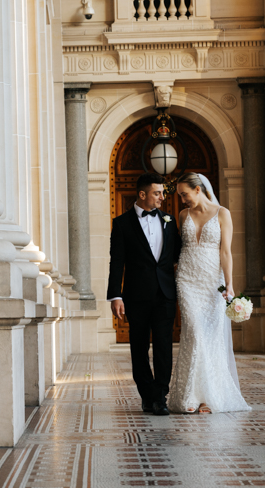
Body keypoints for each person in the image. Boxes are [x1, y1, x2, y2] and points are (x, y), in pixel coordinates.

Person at [167, 172, 250, 414]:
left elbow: (226, 252)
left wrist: (230, 284)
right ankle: (190, 396)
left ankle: (207, 398)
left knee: (210, 337)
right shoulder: (183, 215)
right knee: (194, 331)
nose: (183, 199)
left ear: (198, 189)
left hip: (213, 282)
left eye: (184, 194)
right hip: (187, 279)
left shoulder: (223, 213)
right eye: (180, 195)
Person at [107, 172, 182, 416]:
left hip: (165, 295)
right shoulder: (121, 224)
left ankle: (160, 396)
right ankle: (146, 394)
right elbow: (116, 262)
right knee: (138, 348)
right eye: (157, 193)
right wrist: (115, 296)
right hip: (135, 297)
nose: (162, 197)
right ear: (142, 195)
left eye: (162, 193)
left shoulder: (170, 220)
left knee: (163, 346)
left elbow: (181, 256)